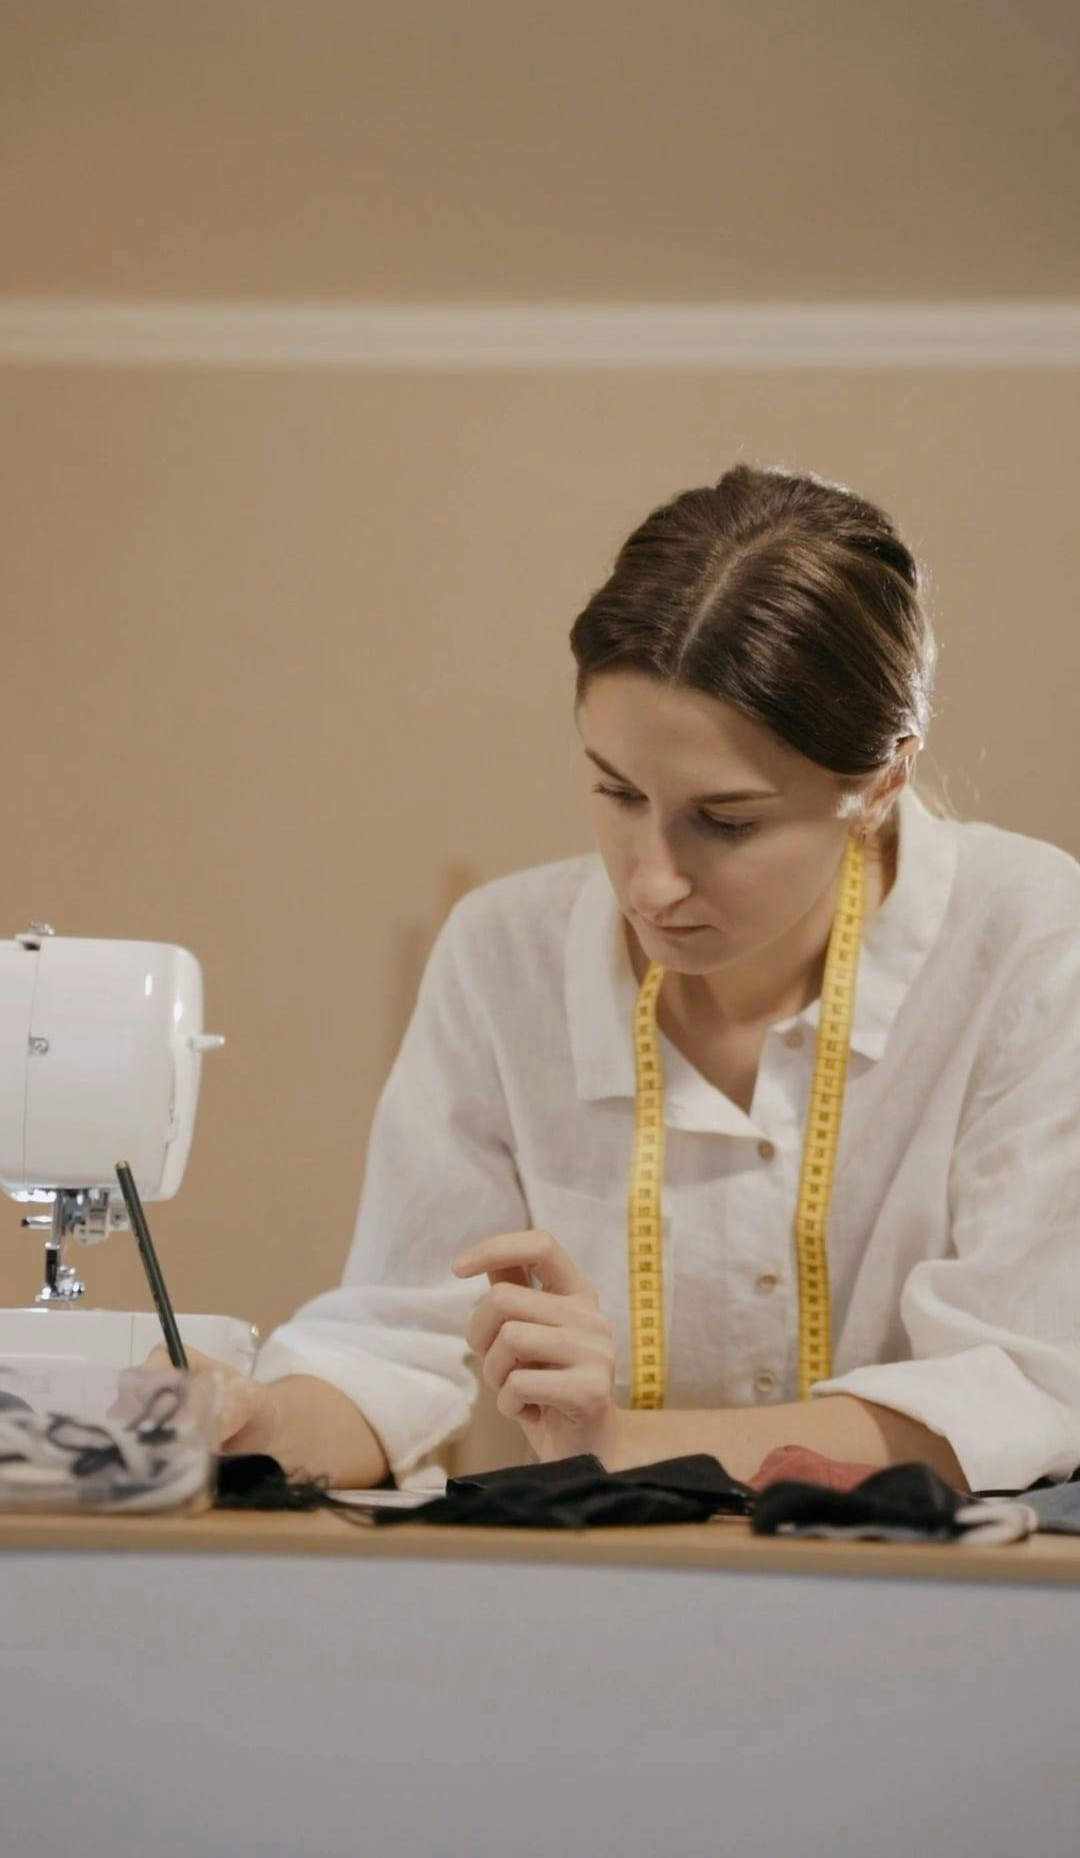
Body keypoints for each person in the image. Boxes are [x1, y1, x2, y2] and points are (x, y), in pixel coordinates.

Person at [168, 463, 1080, 1496]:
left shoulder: (1033, 941)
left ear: (882, 782)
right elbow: (391, 1346)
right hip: (603, 1617)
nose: (649, 881)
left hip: (950, 1620)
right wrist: (249, 1423)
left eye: (726, 821)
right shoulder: (502, 953)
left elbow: (1028, 1381)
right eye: (615, 790)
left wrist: (620, 1444)